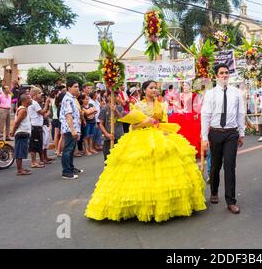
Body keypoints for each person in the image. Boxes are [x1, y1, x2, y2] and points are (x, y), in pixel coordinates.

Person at [85, 80, 206, 222]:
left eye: (155, 88)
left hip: (160, 135)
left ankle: (164, 204)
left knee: (166, 171)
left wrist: (162, 128)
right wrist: (145, 122)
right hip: (141, 138)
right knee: (139, 173)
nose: (154, 90)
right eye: (151, 88)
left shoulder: (161, 104)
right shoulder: (138, 105)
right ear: (144, 90)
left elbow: (164, 122)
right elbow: (133, 127)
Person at [201, 64, 245, 215]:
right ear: (216, 76)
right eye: (221, 73)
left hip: (231, 133)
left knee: (230, 166)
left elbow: (241, 113)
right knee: (215, 165)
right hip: (215, 133)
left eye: (227, 73)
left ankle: (231, 201)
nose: (225, 75)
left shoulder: (237, 93)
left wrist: (242, 133)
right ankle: (214, 191)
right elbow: (205, 115)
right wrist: (204, 137)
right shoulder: (210, 94)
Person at [168, 82, 202, 157]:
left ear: (190, 86)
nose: (184, 87)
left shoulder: (194, 95)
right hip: (181, 114)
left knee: (191, 132)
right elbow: (175, 104)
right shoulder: (179, 95)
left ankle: (192, 149)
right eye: (183, 85)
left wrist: (196, 113)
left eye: (186, 85)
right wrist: (179, 109)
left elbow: (197, 105)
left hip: (191, 114)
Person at [59, 80, 84, 180]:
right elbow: (68, 115)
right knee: (68, 150)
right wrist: (73, 130)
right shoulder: (67, 99)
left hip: (74, 128)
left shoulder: (72, 98)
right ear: (69, 88)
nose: (77, 88)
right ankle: (66, 172)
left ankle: (70, 167)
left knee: (72, 149)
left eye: (78, 86)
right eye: (75, 86)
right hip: (69, 128)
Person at [10, 93, 32, 176]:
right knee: (19, 152)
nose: (31, 100)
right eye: (29, 98)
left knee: (22, 152)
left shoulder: (24, 109)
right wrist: (13, 131)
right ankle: (19, 170)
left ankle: (21, 168)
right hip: (21, 133)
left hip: (23, 133)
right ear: (25, 100)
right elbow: (17, 122)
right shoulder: (22, 110)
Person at [99, 91, 125, 162]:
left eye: (115, 96)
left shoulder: (120, 107)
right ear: (108, 97)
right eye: (111, 95)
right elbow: (100, 124)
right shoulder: (104, 109)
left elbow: (122, 120)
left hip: (119, 136)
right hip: (109, 138)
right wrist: (107, 134)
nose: (113, 97)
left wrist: (115, 110)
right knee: (108, 159)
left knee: (120, 158)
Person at [28, 87, 50, 168]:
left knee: (38, 144)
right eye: (39, 93)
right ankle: (33, 162)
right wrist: (47, 103)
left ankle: (38, 161)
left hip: (38, 126)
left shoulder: (35, 103)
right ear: (34, 95)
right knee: (33, 145)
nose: (41, 95)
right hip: (35, 127)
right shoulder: (34, 103)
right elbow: (42, 112)